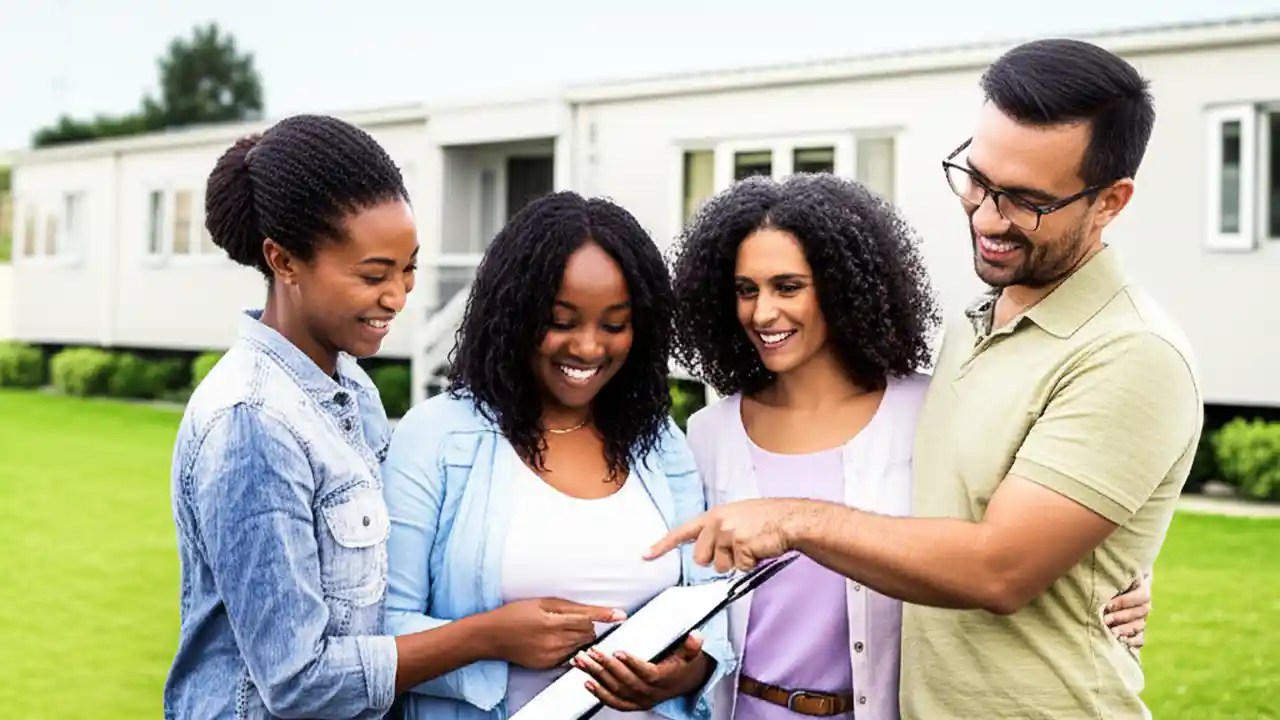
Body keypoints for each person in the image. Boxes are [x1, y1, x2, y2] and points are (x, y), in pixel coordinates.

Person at [648, 38, 1198, 719]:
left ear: (1110, 201)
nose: (987, 216)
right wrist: (1109, 574)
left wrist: (791, 518)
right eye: (977, 178)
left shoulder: (1131, 353)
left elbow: (999, 569)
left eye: (1025, 200)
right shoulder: (975, 328)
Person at [166, 114, 494, 720]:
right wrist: (488, 637)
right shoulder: (252, 422)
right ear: (284, 260)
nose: (398, 295)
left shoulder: (352, 392)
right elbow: (298, 680)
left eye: (408, 269)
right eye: (373, 275)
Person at [381, 190, 734, 720]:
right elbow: (381, 630)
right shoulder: (437, 437)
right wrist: (488, 639)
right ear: (514, 315)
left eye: (614, 325)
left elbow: (710, 613)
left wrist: (684, 672)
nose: (589, 348)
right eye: (562, 321)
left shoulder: (659, 443)